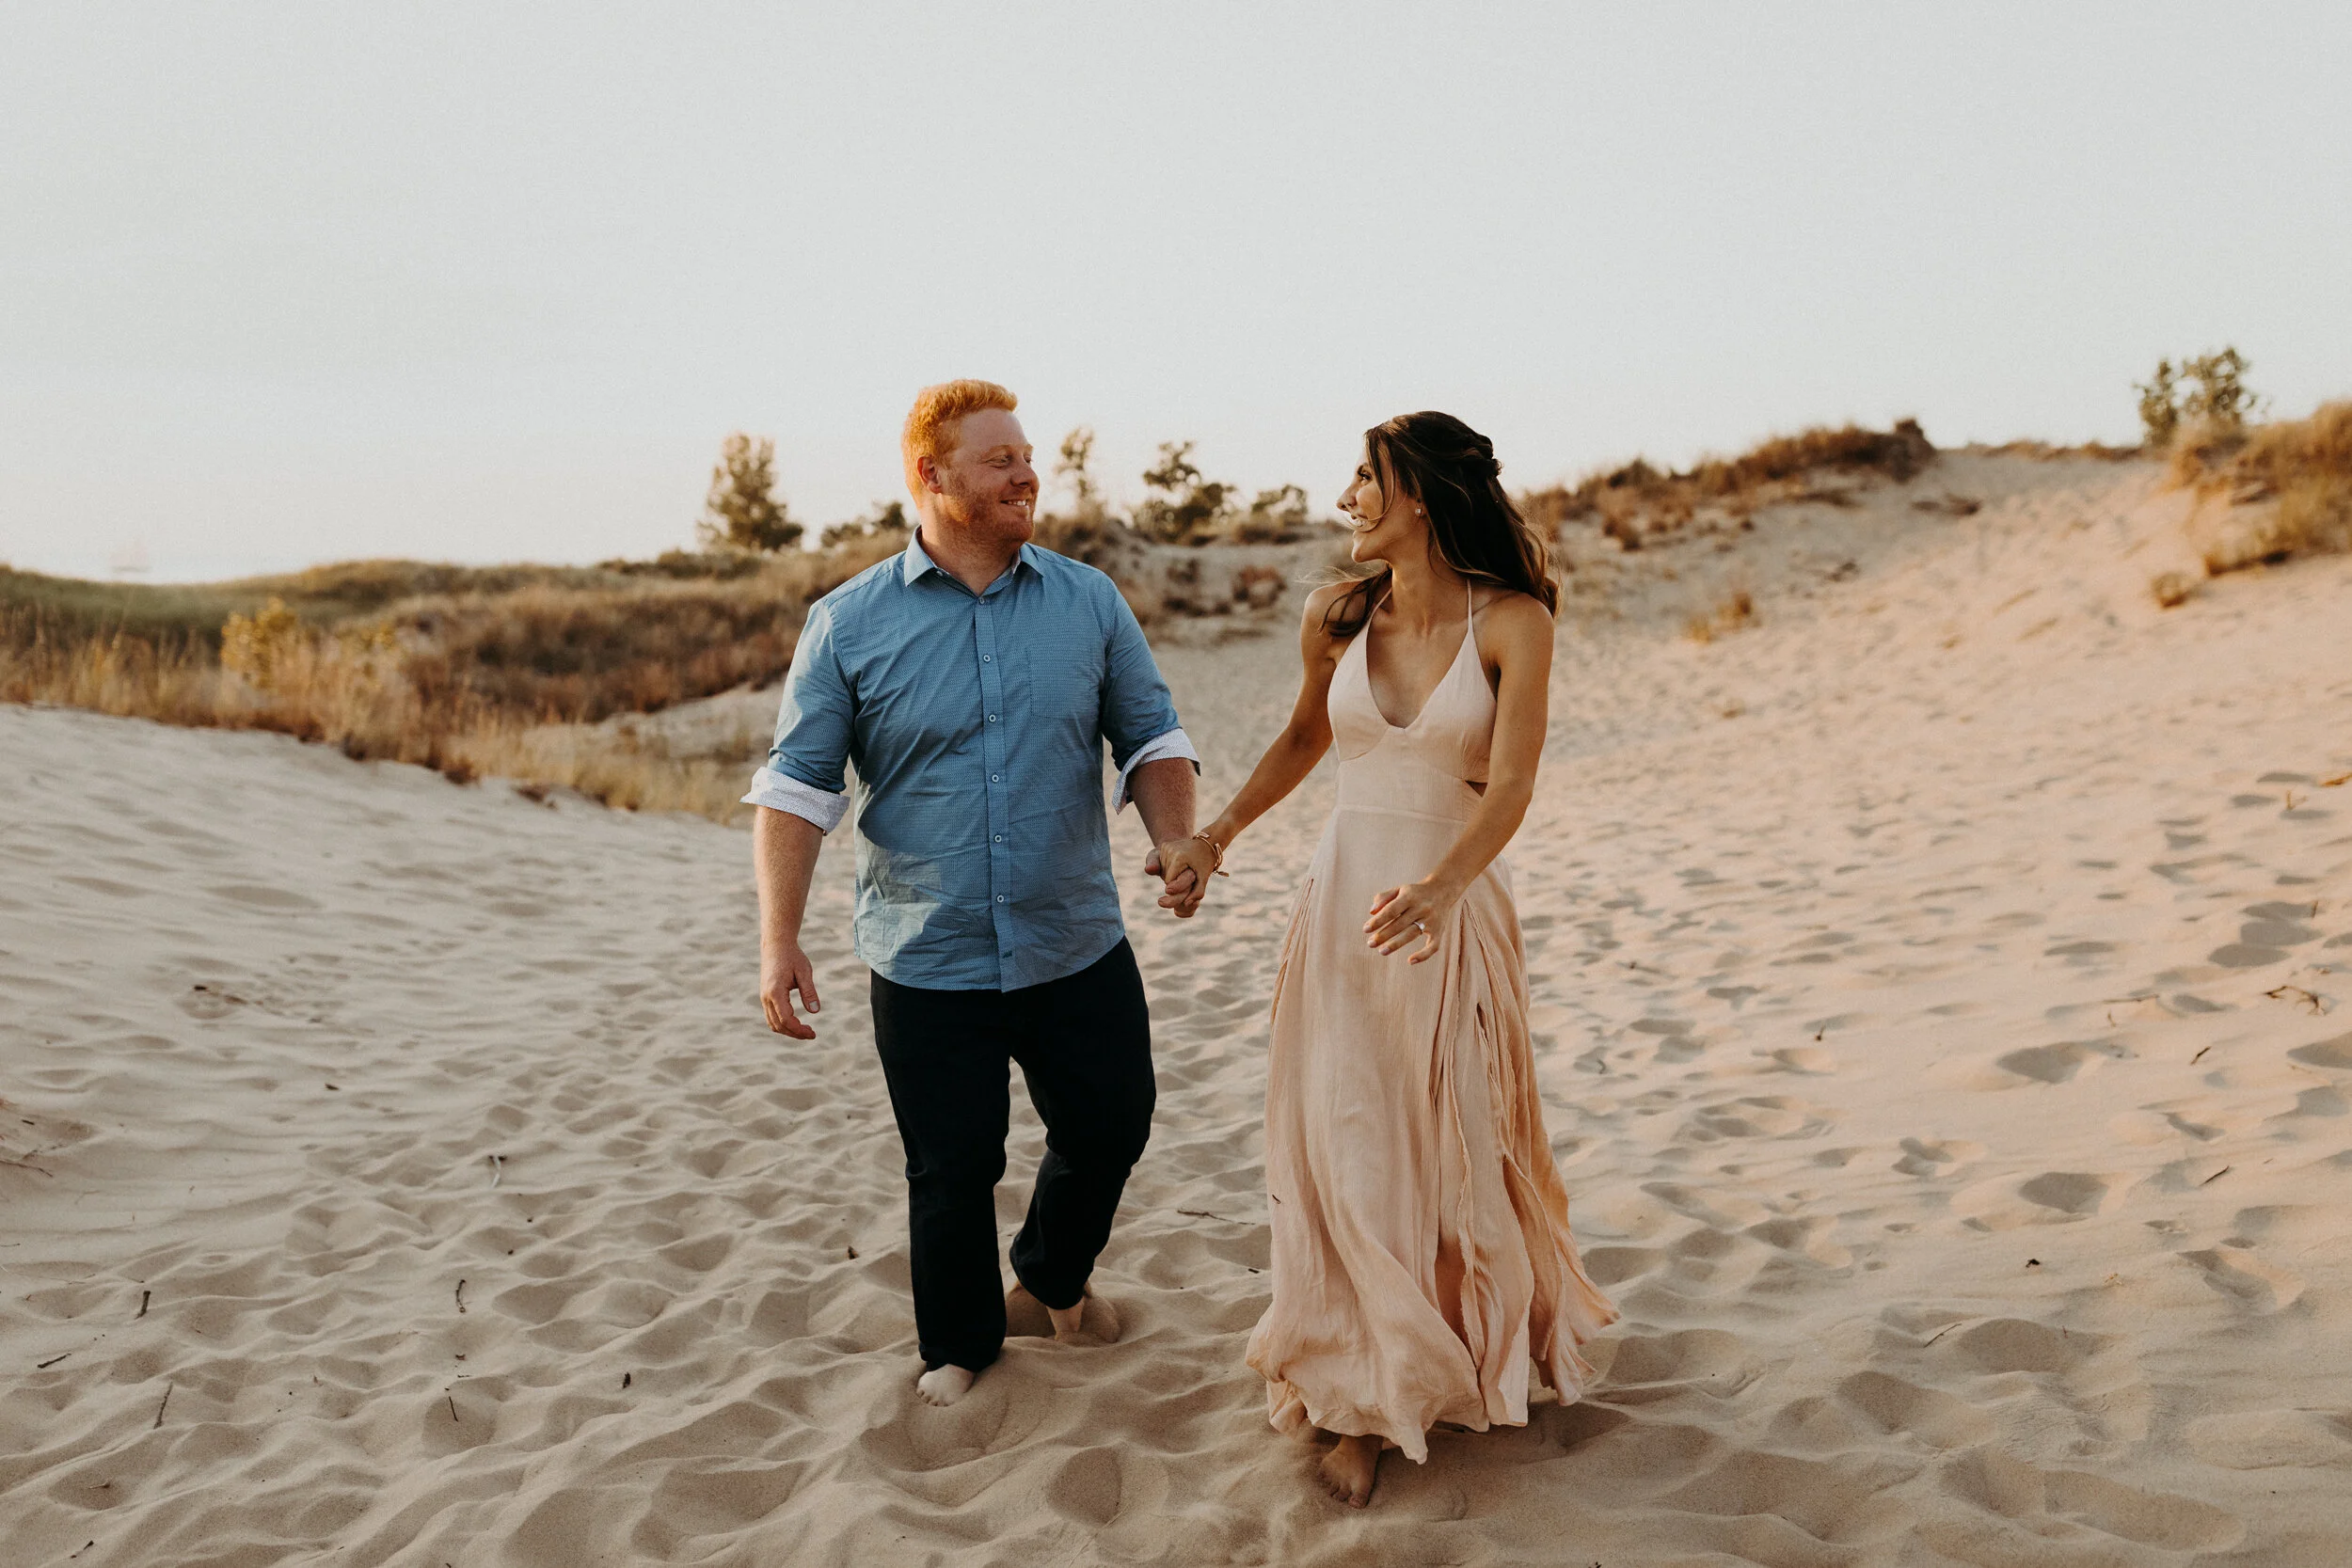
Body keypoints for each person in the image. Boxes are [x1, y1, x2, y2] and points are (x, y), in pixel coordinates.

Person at [1156, 411, 1618, 1506]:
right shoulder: (1338, 614)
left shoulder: (1514, 622)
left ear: (1418, 493)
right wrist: (1212, 841)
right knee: (1344, 1143)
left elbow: (1510, 786)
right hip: (1341, 906)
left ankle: (1446, 1351)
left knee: (1449, 1141)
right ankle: (1358, 1398)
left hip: (1445, 906)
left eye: (1366, 479)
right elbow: (1304, 740)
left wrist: (1444, 886)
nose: (1349, 497)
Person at [745, 379, 1203, 1408]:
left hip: (1073, 935)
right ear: (930, 474)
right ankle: (959, 1348)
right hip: (925, 947)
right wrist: (779, 941)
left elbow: (1153, 732)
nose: (1025, 472)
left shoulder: (1087, 599)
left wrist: (1174, 837)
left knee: (1112, 1124)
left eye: (1025, 453)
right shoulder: (847, 623)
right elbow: (795, 789)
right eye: (997, 458)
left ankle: (1045, 1279)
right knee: (951, 1166)